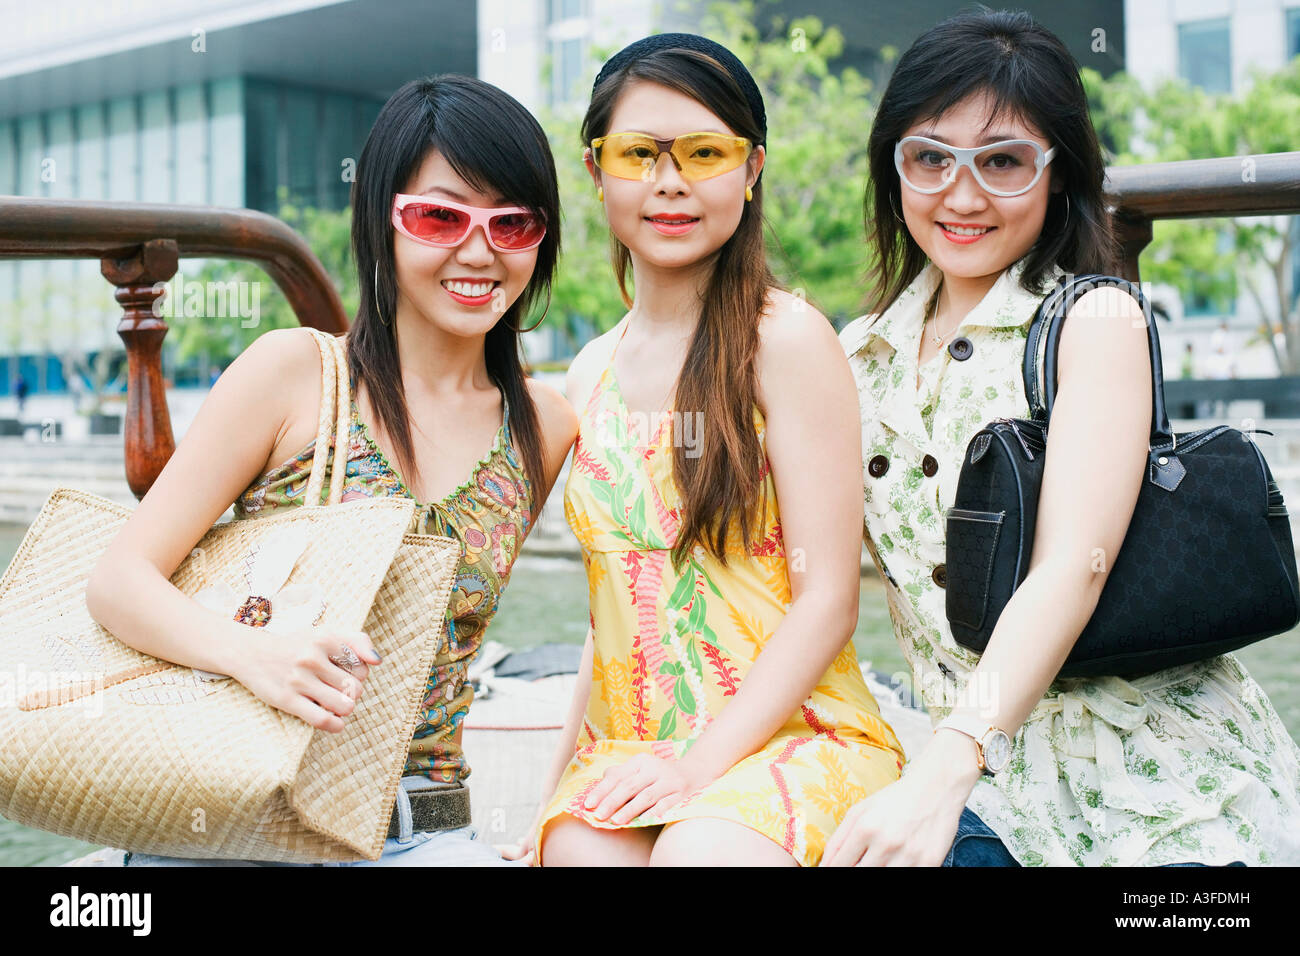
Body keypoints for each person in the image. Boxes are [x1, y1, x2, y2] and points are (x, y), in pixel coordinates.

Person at [824, 9, 1300, 867]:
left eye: (1003, 162)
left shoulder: (1095, 319)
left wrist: (948, 764)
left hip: (1151, 787)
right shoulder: (854, 358)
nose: (962, 196)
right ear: (892, 166)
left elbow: (1073, 566)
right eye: (930, 157)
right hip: (983, 793)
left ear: (1059, 175)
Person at [85, 73, 578, 866]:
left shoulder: (545, 425)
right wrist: (255, 652)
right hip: (242, 812)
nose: (478, 251)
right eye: (439, 216)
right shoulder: (295, 375)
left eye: (512, 224)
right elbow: (118, 583)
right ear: (382, 223)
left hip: (422, 829)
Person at [512, 33, 905, 868]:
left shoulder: (787, 340)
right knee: (574, 850)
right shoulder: (590, 373)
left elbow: (829, 599)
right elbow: (609, 614)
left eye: (703, 152)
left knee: (701, 856)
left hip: (793, 737)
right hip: (635, 750)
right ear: (597, 170)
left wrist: (695, 768)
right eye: (638, 153)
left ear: (752, 168)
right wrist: (548, 802)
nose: (669, 181)